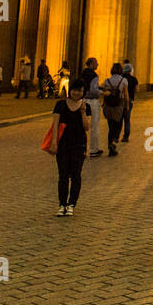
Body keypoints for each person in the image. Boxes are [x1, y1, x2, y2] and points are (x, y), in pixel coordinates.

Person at [48, 76, 91, 217]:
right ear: (70, 90)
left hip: (79, 145)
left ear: (83, 92)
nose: (76, 93)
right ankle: (62, 204)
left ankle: (72, 204)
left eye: (79, 91)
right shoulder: (60, 105)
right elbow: (55, 125)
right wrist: (54, 143)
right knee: (63, 175)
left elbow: (87, 128)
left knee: (76, 176)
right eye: (74, 90)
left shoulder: (86, 106)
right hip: (63, 145)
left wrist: (83, 113)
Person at [101, 62, 129, 156]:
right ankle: (114, 142)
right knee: (118, 125)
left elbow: (104, 94)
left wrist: (103, 104)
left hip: (108, 105)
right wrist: (127, 105)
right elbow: (126, 94)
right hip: (118, 105)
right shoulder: (123, 80)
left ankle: (110, 148)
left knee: (111, 126)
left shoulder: (107, 81)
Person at [80, 58, 103, 156]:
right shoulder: (94, 75)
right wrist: (102, 92)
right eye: (96, 63)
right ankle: (94, 149)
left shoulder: (83, 74)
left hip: (83, 101)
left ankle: (82, 149)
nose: (97, 64)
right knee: (94, 126)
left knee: (82, 126)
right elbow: (93, 90)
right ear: (92, 64)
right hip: (92, 102)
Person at [121, 62, 138, 141]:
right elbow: (137, 89)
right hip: (130, 100)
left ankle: (116, 135)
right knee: (127, 119)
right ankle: (126, 136)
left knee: (119, 118)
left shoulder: (120, 78)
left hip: (120, 99)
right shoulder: (134, 79)